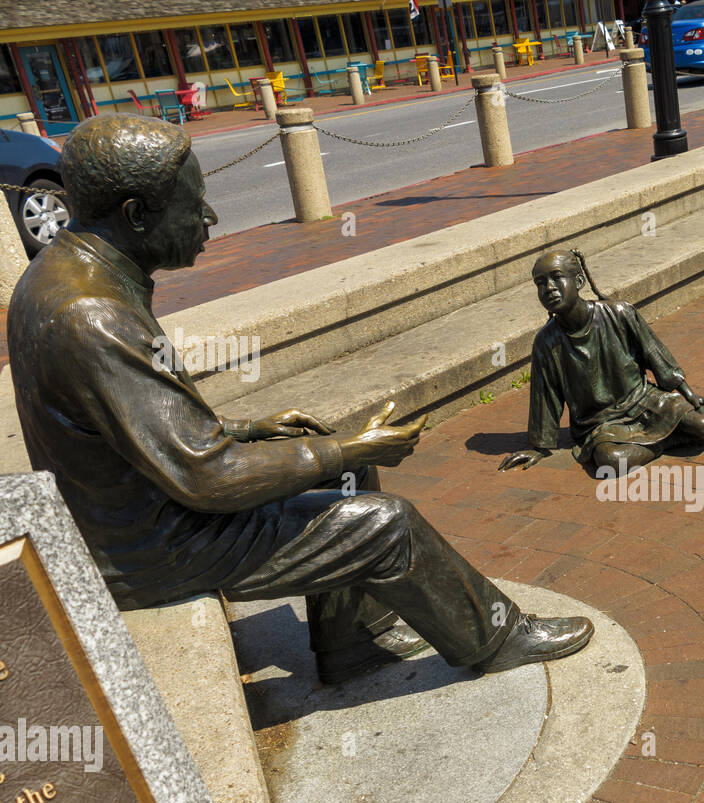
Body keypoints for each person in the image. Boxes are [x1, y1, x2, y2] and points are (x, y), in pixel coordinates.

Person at [7, 113, 591, 685]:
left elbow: (136, 424)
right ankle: (498, 636)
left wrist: (253, 427)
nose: (208, 217)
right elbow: (207, 478)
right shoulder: (94, 315)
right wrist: (341, 450)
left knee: (347, 466)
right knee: (387, 524)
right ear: (136, 214)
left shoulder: (64, 275)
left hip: (137, 510)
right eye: (194, 203)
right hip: (151, 548)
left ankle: (348, 643)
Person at [498, 249, 704, 475]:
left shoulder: (619, 313)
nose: (549, 288)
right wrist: (539, 447)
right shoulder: (546, 342)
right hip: (600, 423)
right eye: (540, 283)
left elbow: (656, 354)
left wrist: (688, 394)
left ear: (578, 281)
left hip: (644, 400)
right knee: (611, 462)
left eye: (556, 277)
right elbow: (545, 397)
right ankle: (670, 440)